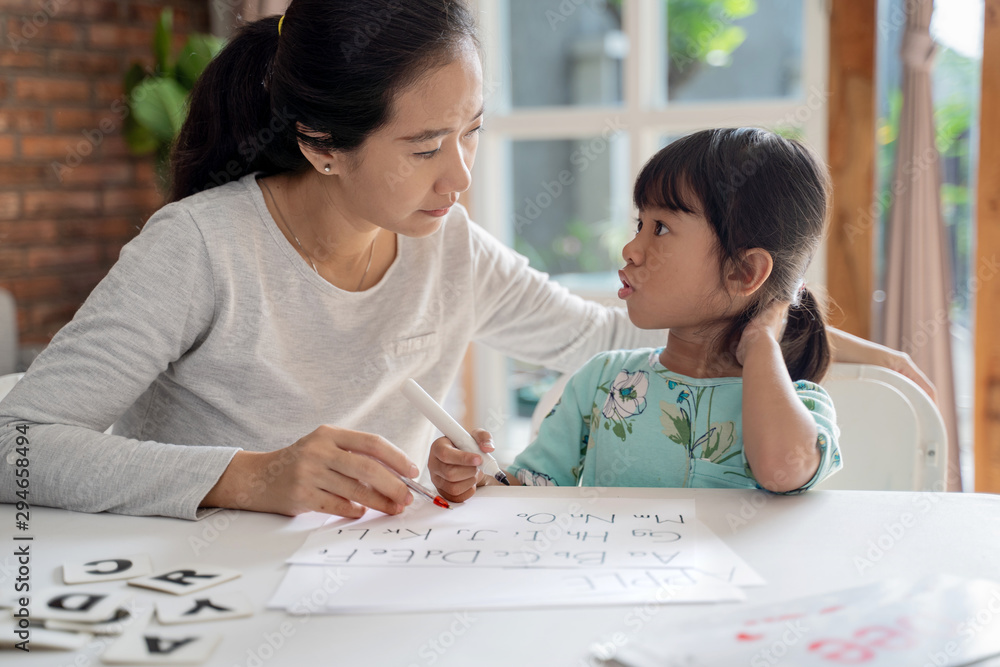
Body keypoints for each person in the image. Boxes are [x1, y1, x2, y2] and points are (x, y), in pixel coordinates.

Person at [0, 1, 928, 522]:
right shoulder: (199, 248)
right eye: (425, 146)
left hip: (377, 589)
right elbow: (17, 446)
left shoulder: (446, 244)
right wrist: (250, 475)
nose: (462, 178)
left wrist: (797, 324)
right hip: (202, 596)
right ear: (323, 146)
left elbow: (626, 333)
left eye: (474, 132)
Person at [428, 128, 845, 500]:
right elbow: (527, 492)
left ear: (743, 271)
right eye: (639, 223)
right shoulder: (601, 382)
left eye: (660, 228)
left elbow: (780, 470)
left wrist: (760, 346)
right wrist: (475, 479)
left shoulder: (802, 405)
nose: (630, 248)